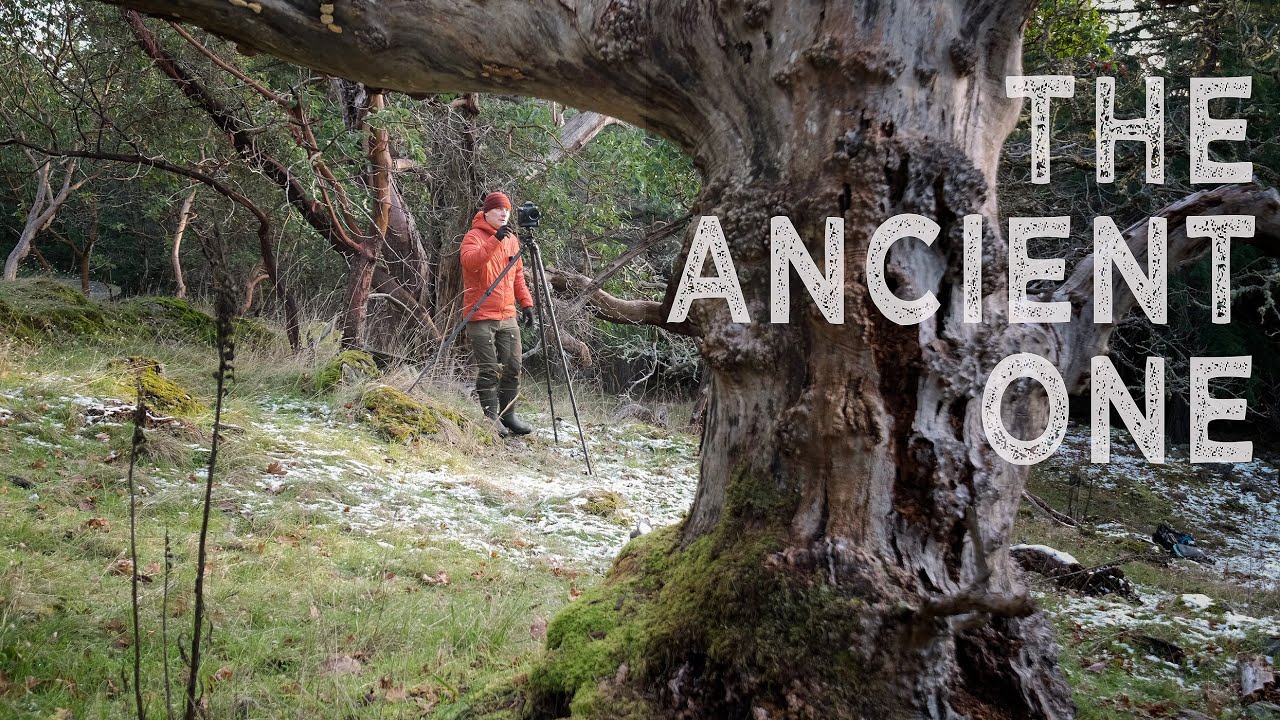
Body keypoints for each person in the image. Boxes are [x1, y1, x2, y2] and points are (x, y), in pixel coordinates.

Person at [460, 191, 536, 436]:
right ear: (486, 212)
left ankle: (509, 415)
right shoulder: (473, 237)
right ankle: (491, 418)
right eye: (499, 209)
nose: (504, 213)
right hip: (480, 315)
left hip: (507, 315)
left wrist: (526, 304)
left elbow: (517, 275)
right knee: (489, 368)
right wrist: (495, 241)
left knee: (513, 366)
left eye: (507, 210)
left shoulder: (512, 240)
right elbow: (471, 263)